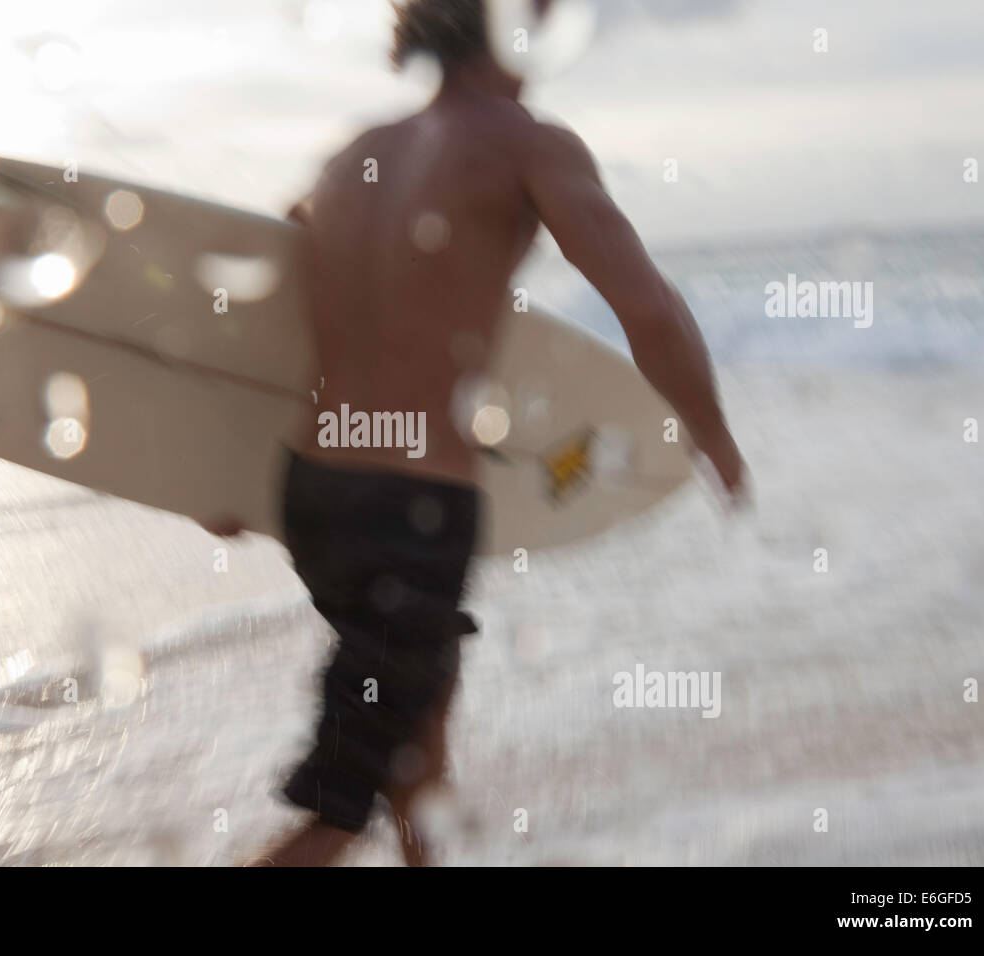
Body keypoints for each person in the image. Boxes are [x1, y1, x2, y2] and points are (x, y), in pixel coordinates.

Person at [226, 0, 746, 865]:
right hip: (411, 512)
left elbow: (268, 327)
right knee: (337, 814)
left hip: (313, 490)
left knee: (416, 759)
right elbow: (648, 311)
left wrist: (225, 483)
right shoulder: (529, 145)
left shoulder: (354, 155)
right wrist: (713, 437)